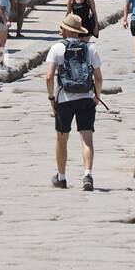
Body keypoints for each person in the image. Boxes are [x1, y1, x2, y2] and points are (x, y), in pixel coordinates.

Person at [46, 14, 103, 191]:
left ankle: (61, 177)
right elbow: (99, 78)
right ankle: (87, 175)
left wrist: (51, 99)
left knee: (62, 139)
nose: (61, 30)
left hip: (65, 99)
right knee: (87, 139)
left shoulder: (56, 48)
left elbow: (48, 77)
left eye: (63, 27)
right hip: (86, 97)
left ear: (68, 30)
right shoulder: (90, 48)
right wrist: (96, 97)